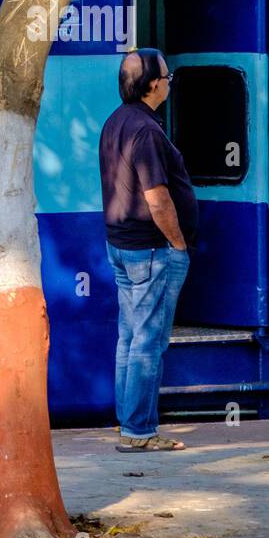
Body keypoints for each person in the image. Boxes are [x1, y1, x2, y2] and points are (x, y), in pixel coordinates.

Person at [98, 49, 198, 453]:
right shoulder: (147, 132)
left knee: (129, 337)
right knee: (148, 342)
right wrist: (178, 243)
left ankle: (128, 424)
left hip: (121, 247)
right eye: (168, 77)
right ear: (154, 85)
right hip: (152, 251)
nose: (169, 83)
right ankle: (139, 432)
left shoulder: (115, 123)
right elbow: (158, 199)